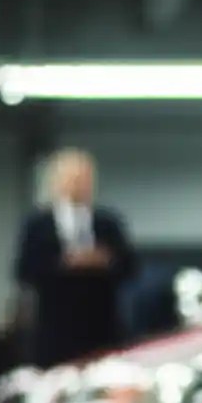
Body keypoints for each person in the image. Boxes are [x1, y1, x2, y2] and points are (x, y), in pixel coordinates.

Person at [13, 149, 138, 369]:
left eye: (85, 178)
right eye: (73, 178)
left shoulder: (108, 223)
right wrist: (65, 263)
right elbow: (23, 271)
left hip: (103, 329)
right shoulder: (38, 225)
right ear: (56, 182)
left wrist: (104, 262)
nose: (79, 184)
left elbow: (131, 268)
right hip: (55, 333)